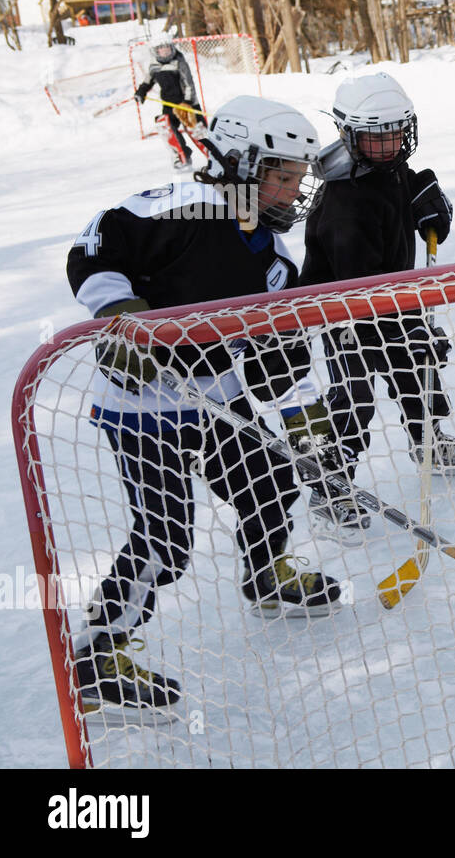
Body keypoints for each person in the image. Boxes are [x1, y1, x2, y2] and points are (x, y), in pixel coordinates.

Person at [65, 96, 342, 716]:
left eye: (299, 178)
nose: (294, 189)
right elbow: (91, 247)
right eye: (283, 175)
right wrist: (116, 314)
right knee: (165, 539)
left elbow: (274, 346)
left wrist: (297, 409)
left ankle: (266, 574)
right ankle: (98, 651)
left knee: (269, 482)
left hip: (217, 399)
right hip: (143, 409)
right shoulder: (171, 210)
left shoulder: (269, 253)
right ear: (240, 162)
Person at [301, 71, 455, 532]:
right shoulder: (344, 201)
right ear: (349, 135)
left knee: (418, 376)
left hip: (395, 301)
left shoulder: (396, 172)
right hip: (345, 312)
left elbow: (422, 217)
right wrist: (409, 324)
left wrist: (433, 210)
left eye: (395, 134)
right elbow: (357, 287)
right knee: (354, 400)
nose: (388, 146)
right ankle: (332, 481)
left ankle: (429, 441)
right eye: (374, 139)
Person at [133, 34, 205, 168]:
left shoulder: (179, 61)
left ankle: (213, 156)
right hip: (169, 105)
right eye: (161, 49)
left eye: (167, 48)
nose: (165, 51)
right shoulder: (154, 65)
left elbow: (189, 83)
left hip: (186, 103)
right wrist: (141, 92)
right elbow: (148, 81)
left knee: (198, 131)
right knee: (166, 127)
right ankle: (182, 155)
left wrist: (187, 102)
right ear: (155, 51)